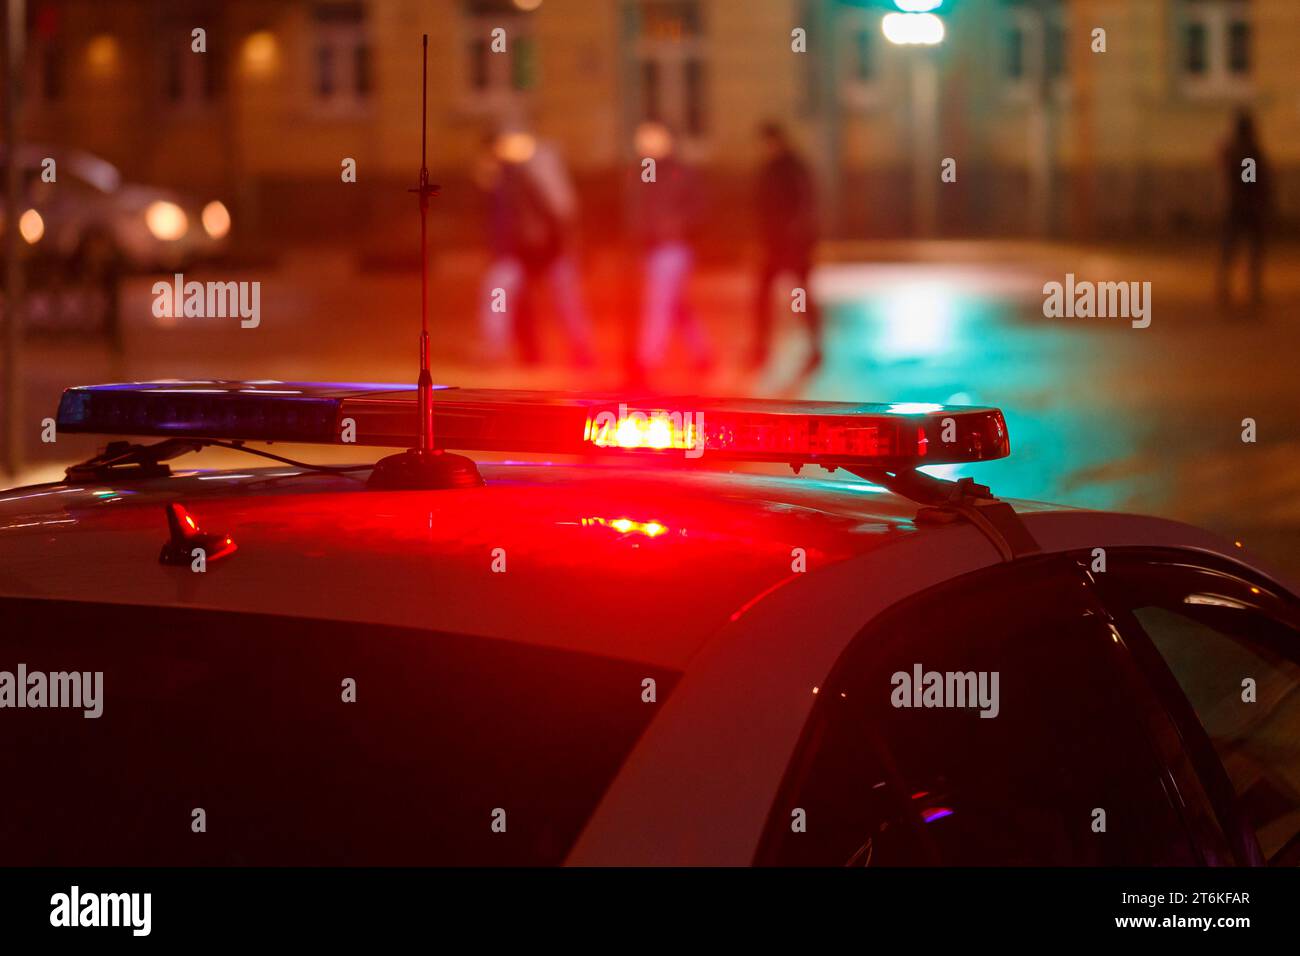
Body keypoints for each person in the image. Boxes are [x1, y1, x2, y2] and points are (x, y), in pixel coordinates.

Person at [475, 127, 596, 365]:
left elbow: (536, 214)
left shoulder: (515, 176)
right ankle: (570, 350)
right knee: (516, 299)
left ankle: (500, 348)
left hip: (534, 250)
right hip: (530, 250)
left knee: (502, 296)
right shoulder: (510, 176)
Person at [628, 121, 713, 376]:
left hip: (673, 247)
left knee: (659, 301)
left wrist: (676, 227)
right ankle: (703, 353)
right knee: (676, 305)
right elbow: (638, 210)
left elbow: (699, 209)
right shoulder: (644, 171)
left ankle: (648, 359)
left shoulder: (680, 172)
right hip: (653, 247)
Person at [751, 122, 821, 372]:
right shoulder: (774, 168)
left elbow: (803, 205)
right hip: (776, 245)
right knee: (765, 297)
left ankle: (813, 347)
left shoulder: (790, 168)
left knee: (800, 296)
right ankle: (762, 346)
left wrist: (798, 238)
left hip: (791, 246)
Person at [1217, 110, 1271, 312]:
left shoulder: (1233, 150)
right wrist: (1255, 201)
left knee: (1231, 248)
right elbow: (1249, 179)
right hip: (1247, 208)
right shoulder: (1248, 152)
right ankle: (1251, 289)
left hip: (1237, 206)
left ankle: (1226, 286)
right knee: (1253, 249)